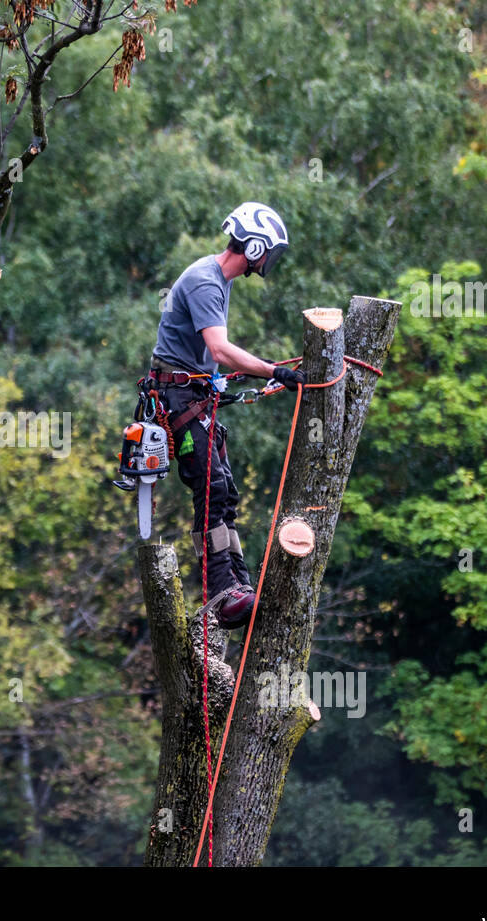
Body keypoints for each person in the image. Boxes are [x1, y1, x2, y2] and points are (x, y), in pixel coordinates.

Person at [147, 202, 303, 629]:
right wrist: (276, 371)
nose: (269, 260)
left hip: (193, 393)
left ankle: (236, 581)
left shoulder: (220, 280)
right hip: (177, 396)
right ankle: (219, 592)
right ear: (254, 247)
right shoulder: (204, 280)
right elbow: (219, 350)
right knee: (210, 486)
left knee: (225, 488)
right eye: (269, 251)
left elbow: (211, 359)